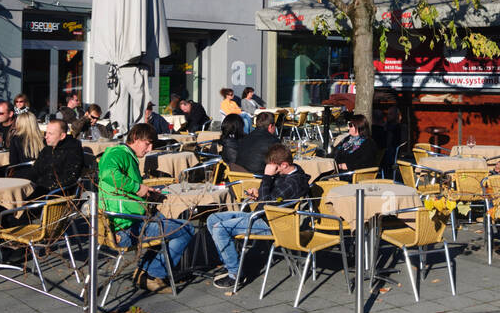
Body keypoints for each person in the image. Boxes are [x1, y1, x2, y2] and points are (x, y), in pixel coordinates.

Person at [98, 123, 195, 292]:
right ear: (135, 138)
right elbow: (108, 174)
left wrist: (147, 193)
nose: (149, 149)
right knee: (186, 229)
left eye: (152, 145)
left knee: (165, 220)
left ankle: (144, 271)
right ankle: (152, 274)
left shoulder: (127, 155)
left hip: (128, 221)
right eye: (147, 144)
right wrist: (137, 188)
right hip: (125, 228)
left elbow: (122, 189)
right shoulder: (117, 152)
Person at [208, 143, 311, 290]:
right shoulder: (285, 174)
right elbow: (270, 198)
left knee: (220, 229)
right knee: (213, 219)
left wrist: (267, 176)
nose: (270, 169)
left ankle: (235, 274)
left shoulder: (293, 182)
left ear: (284, 165)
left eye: (273, 166)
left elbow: (268, 202)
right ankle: (229, 262)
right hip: (262, 214)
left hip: (271, 223)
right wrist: (258, 193)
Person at [28, 120, 85, 197]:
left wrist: (45, 187)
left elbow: (70, 178)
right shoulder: (47, 149)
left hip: (55, 195)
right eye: (46, 132)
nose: (46, 136)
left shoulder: (72, 150)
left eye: (50, 134)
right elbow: (35, 170)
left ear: (62, 136)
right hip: (39, 190)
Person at [223, 110, 278, 175]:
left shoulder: (244, 139)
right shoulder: (273, 141)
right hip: (259, 179)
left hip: (239, 178)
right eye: (275, 125)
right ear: (270, 126)